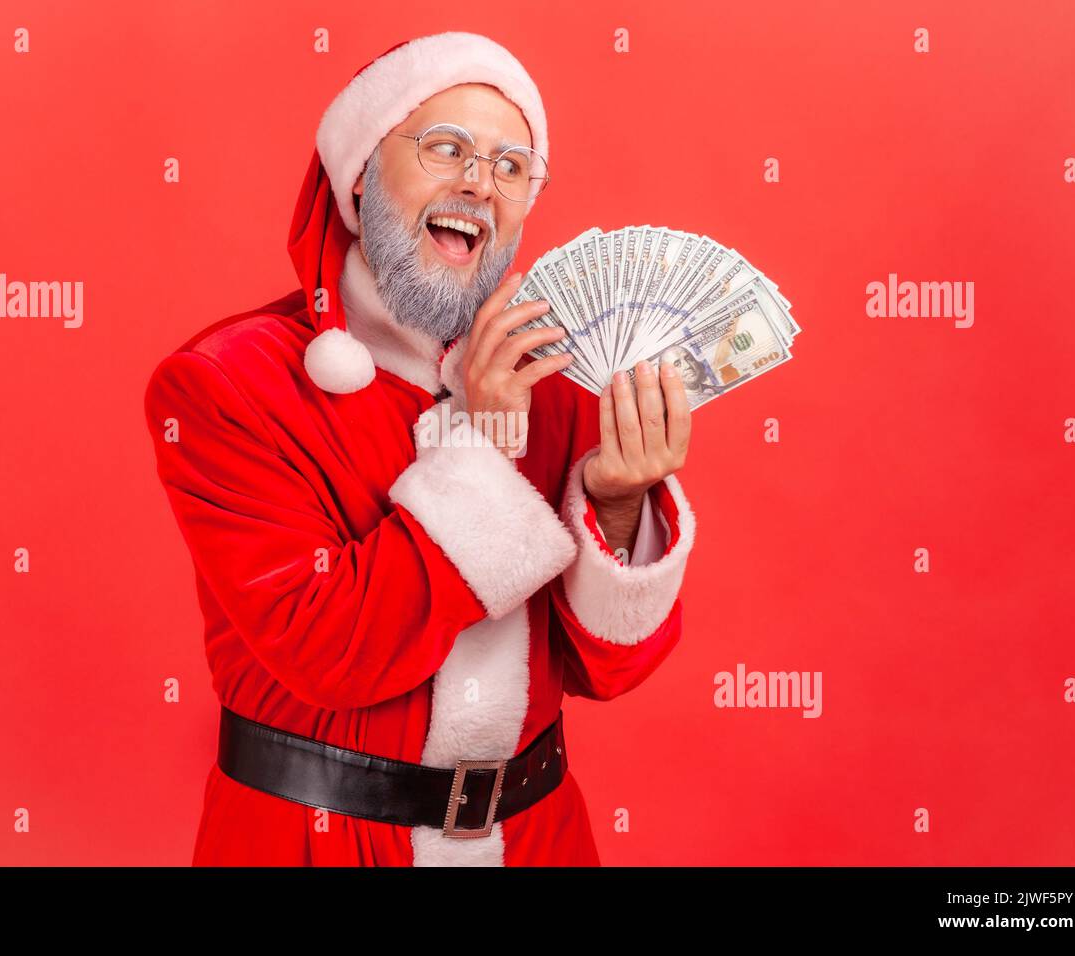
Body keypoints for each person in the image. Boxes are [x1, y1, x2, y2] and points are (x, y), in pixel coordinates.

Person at [143, 31, 697, 866]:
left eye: (513, 166)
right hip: (314, 844)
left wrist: (617, 504)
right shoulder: (226, 384)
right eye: (447, 149)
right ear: (359, 178)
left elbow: (605, 672)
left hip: (538, 839)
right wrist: (479, 439)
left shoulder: (558, 381)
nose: (480, 182)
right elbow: (328, 650)